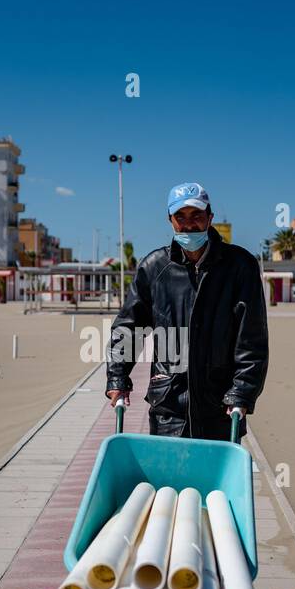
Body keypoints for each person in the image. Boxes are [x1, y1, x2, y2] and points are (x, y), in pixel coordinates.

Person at [106, 182, 268, 440]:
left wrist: (242, 391)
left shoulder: (240, 267)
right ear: (170, 220)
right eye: (180, 217)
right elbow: (129, 328)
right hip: (168, 408)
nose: (189, 224)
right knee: (168, 480)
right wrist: (117, 378)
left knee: (214, 481)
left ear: (210, 218)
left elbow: (251, 339)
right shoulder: (154, 268)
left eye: (196, 215)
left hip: (221, 407)